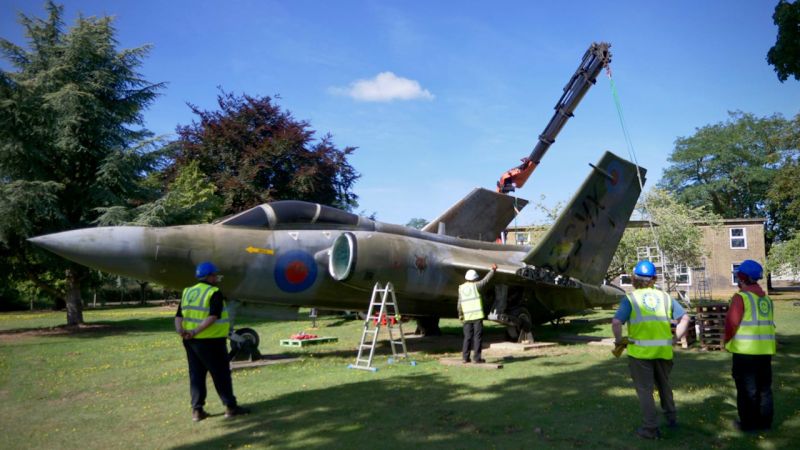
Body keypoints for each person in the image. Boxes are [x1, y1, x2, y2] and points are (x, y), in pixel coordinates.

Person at [612, 260, 689, 439]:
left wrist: (618, 341)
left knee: (645, 391)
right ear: (654, 279)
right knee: (664, 386)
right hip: (663, 352)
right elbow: (685, 319)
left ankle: (650, 429)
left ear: (634, 279)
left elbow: (616, 322)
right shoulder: (665, 297)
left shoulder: (630, 299)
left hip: (639, 354)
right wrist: (675, 338)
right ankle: (671, 418)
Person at [175, 261, 250, 422]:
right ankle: (230, 407)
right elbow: (213, 316)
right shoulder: (214, 292)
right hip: (211, 341)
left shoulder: (187, 292)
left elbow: (179, 316)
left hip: (191, 342)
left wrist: (181, 331)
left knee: (196, 375)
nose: (216, 277)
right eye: (214, 275)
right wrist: (195, 331)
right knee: (221, 374)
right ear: (208, 276)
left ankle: (197, 410)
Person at [723, 259, 775, 432]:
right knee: (764, 389)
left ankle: (748, 425)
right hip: (765, 352)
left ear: (742, 278)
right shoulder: (766, 300)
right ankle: (765, 424)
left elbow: (731, 324)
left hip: (745, 353)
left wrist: (726, 342)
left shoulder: (741, 298)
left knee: (747, 391)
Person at [457, 264, 496, 363]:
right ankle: (477, 358)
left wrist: (460, 315)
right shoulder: (476, 286)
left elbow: (459, 304)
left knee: (467, 338)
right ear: (474, 278)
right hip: (477, 317)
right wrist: (492, 270)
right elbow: (486, 281)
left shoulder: (461, 288)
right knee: (477, 337)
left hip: (467, 317)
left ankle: (465, 358)